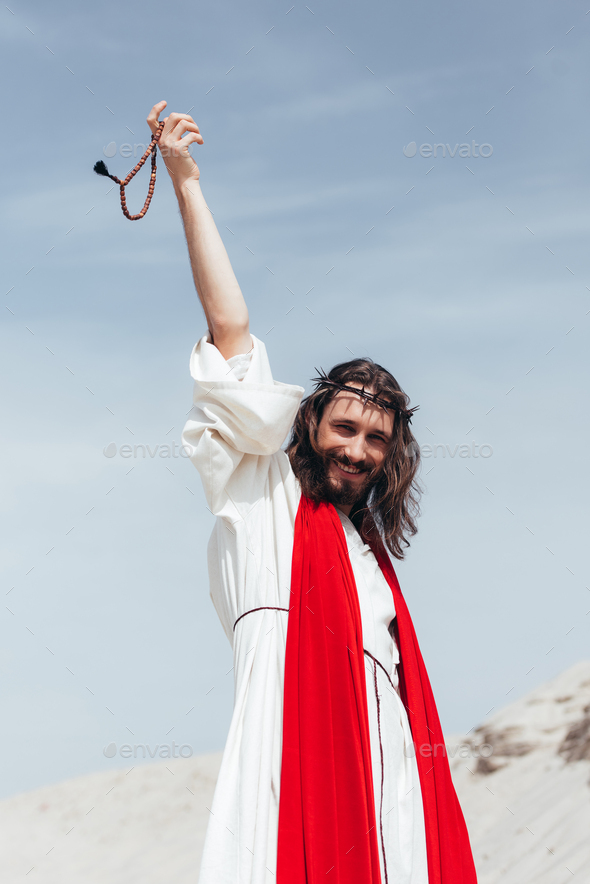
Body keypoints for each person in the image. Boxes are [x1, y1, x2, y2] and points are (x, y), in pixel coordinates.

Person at [146, 101, 477, 884]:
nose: (356, 449)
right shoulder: (262, 490)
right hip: (285, 777)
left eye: (375, 439)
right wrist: (186, 182)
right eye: (344, 427)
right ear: (309, 424)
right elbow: (231, 327)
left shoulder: (374, 566)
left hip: (388, 806)